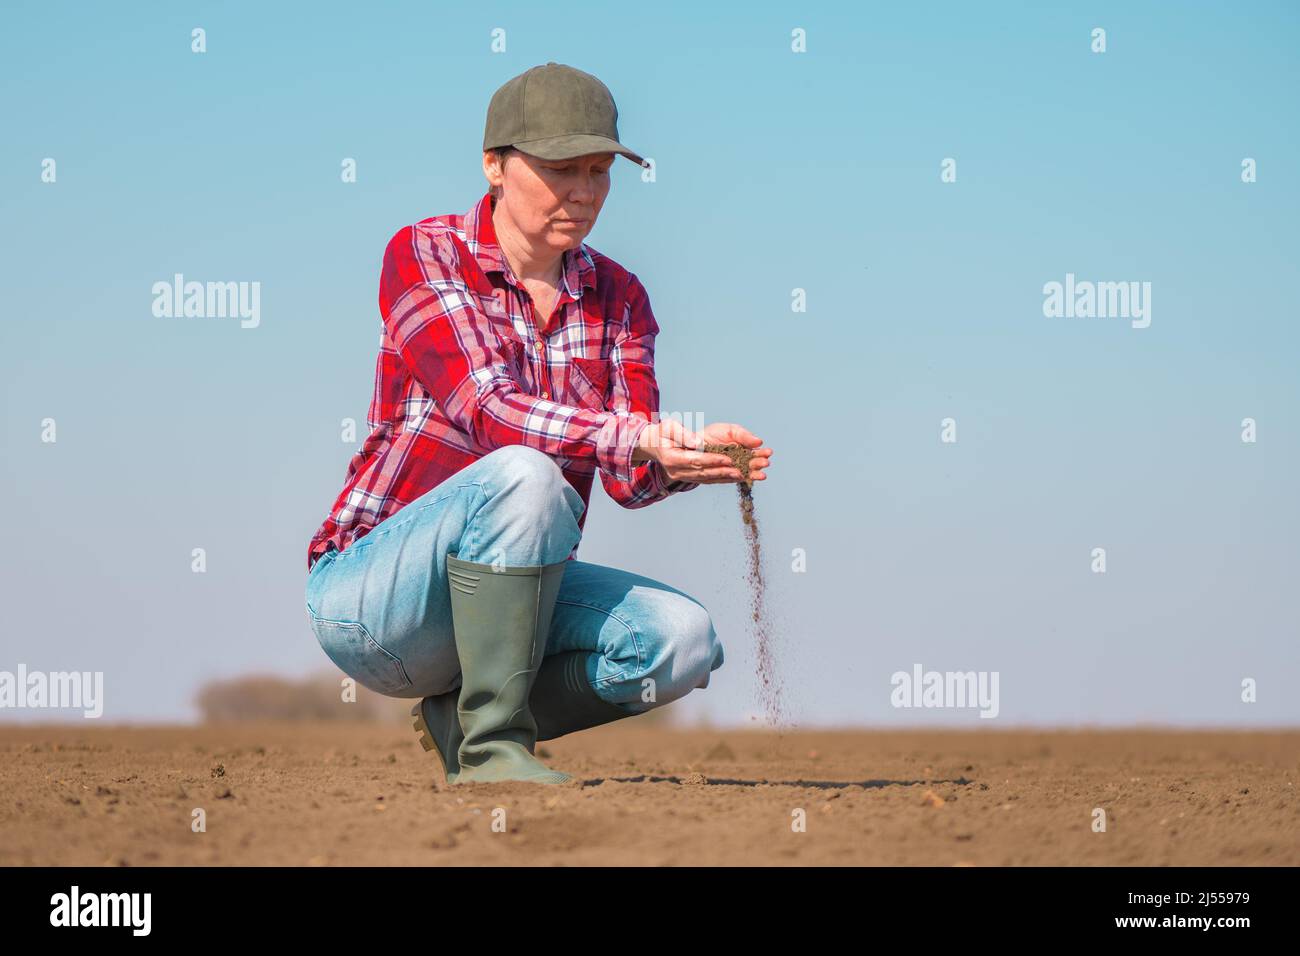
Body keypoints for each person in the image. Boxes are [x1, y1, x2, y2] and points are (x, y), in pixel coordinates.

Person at [304, 62, 772, 785]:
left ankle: (459, 719)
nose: (584, 193)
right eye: (560, 168)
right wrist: (633, 437)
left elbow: (626, 473)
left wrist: (674, 461)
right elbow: (486, 409)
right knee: (527, 471)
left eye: (598, 171)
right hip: (378, 600)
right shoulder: (424, 254)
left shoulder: (620, 297)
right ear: (494, 165)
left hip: (517, 592)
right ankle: (491, 752)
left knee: (682, 643)